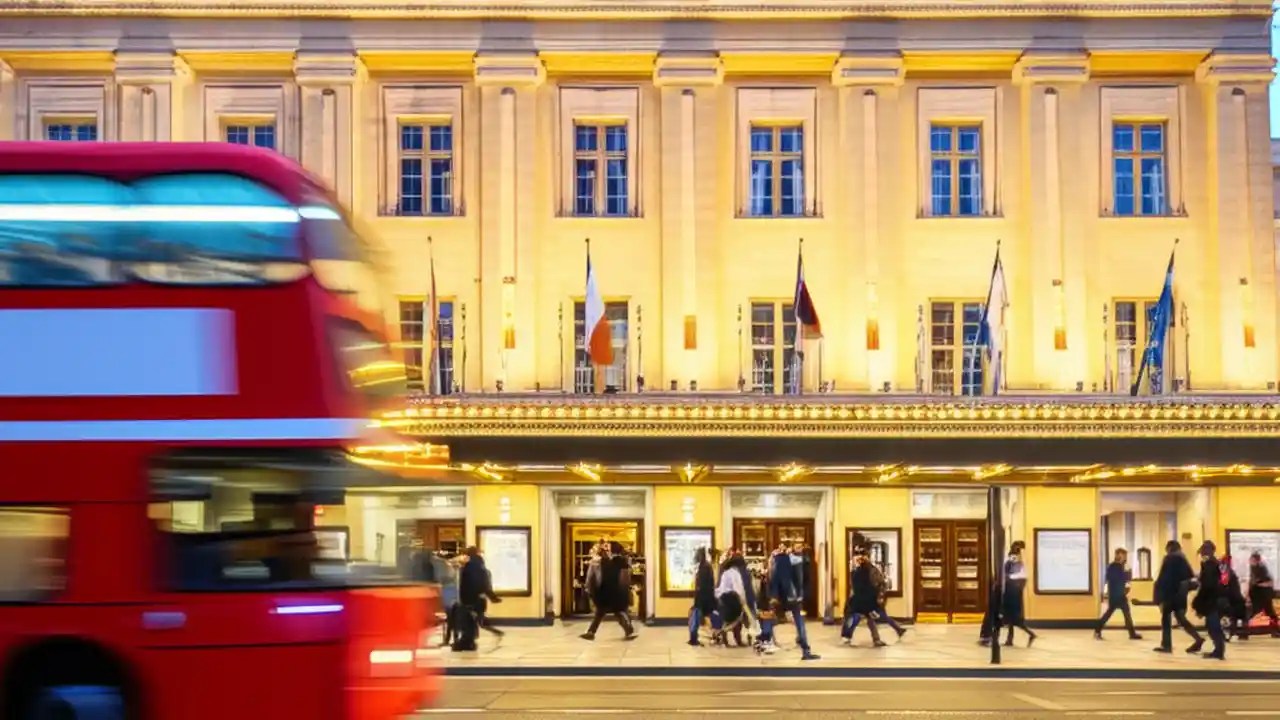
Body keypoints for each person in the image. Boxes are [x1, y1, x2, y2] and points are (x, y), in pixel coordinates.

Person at [768, 545, 818, 660]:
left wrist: (774, 595)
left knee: (771, 618)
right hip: (791, 596)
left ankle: (768, 641)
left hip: (786, 595)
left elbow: (776, 578)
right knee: (798, 621)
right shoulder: (798, 560)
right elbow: (804, 580)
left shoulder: (783, 560)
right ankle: (805, 649)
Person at [1153, 539, 1202, 654]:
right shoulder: (1183, 559)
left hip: (1169, 594)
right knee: (1181, 619)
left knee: (1166, 619)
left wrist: (1158, 596)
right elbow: (1189, 575)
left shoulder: (1169, 559)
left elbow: (1163, 579)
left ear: (1169, 548)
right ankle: (1197, 638)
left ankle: (1166, 645)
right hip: (1180, 594)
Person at [581, 541, 637, 641]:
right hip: (606, 591)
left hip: (612, 591)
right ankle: (629, 631)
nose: (607, 551)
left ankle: (591, 632)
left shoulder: (618, 561)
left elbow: (624, 577)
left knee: (611, 612)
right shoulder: (605, 561)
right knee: (606, 612)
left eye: (608, 548)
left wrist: (624, 589)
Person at [455, 546, 502, 651]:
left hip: (471, 599)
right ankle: (469, 642)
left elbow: (479, 583)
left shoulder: (472, 566)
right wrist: (492, 597)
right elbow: (485, 584)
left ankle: (467, 642)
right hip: (476, 599)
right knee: (472, 621)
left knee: (468, 621)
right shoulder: (478, 566)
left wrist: (465, 599)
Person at [1096, 548, 1141, 640]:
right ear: (1118, 555)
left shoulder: (1120, 567)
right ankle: (1097, 629)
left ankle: (1131, 633)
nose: (1124, 558)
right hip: (1116, 594)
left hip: (1119, 594)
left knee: (1125, 614)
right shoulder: (1113, 567)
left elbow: (1125, 580)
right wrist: (1125, 574)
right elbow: (1115, 579)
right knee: (1112, 614)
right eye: (1123, 555)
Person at [842, 553, 886, 647]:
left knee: (853, 618)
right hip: (868, 599)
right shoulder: (871, 571)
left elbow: (855, 586)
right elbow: (875, 584)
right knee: (870, 619)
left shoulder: (856, 572)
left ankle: (847, 636)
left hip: (859, 599)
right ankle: (876, 639)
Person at [1191, 541, 1226, 659]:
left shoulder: (1209, 564)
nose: (1200, 553)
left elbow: (1208, 584)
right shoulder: (1214, 563)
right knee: (1212, 625)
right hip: (1214, 598)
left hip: (1211, 599)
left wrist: (1199, 601)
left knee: (1213, 626)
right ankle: (1218, 650)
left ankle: (1219, 651)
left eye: (1202, 550)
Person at [1001, 541, 1037, 647]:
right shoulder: (1019, 559)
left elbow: (1008, 572)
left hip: (1012, 589)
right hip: (1014, 589)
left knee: (1013, 616)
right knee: (1011, 617)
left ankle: (1030, 634)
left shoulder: (1014, 558)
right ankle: (1010, 639)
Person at [688, 547, 717, 647]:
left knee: (698, 618)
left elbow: (703, 584)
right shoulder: (704, 566)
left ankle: (695, 638)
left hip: (703, 598)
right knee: (703, 617)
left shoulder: (704, 567)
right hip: (704, 597)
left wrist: (699, 596)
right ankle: (696, 638)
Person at [1247, 552, 1280, 637]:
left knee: (1262, 611)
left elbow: (1269, 582)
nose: (1250, 561)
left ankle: (1275, 630)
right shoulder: (1253, 568)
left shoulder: (1262, 569)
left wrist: (1258, 585)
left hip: (1263, 595)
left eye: (1252, 560)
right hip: (1258, 594)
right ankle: (1275, 631)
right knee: (1267, 612)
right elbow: (1252, 582)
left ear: (1257, 560)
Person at [1219, 554, 1248, 641]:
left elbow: (1224, 585)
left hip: (1233, 598)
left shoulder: (1227, 573)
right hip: (1236, 597)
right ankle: (1241, 634)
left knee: (1235, 616)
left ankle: (1235, 634)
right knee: (1238, 617)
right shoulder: (1229, 572)